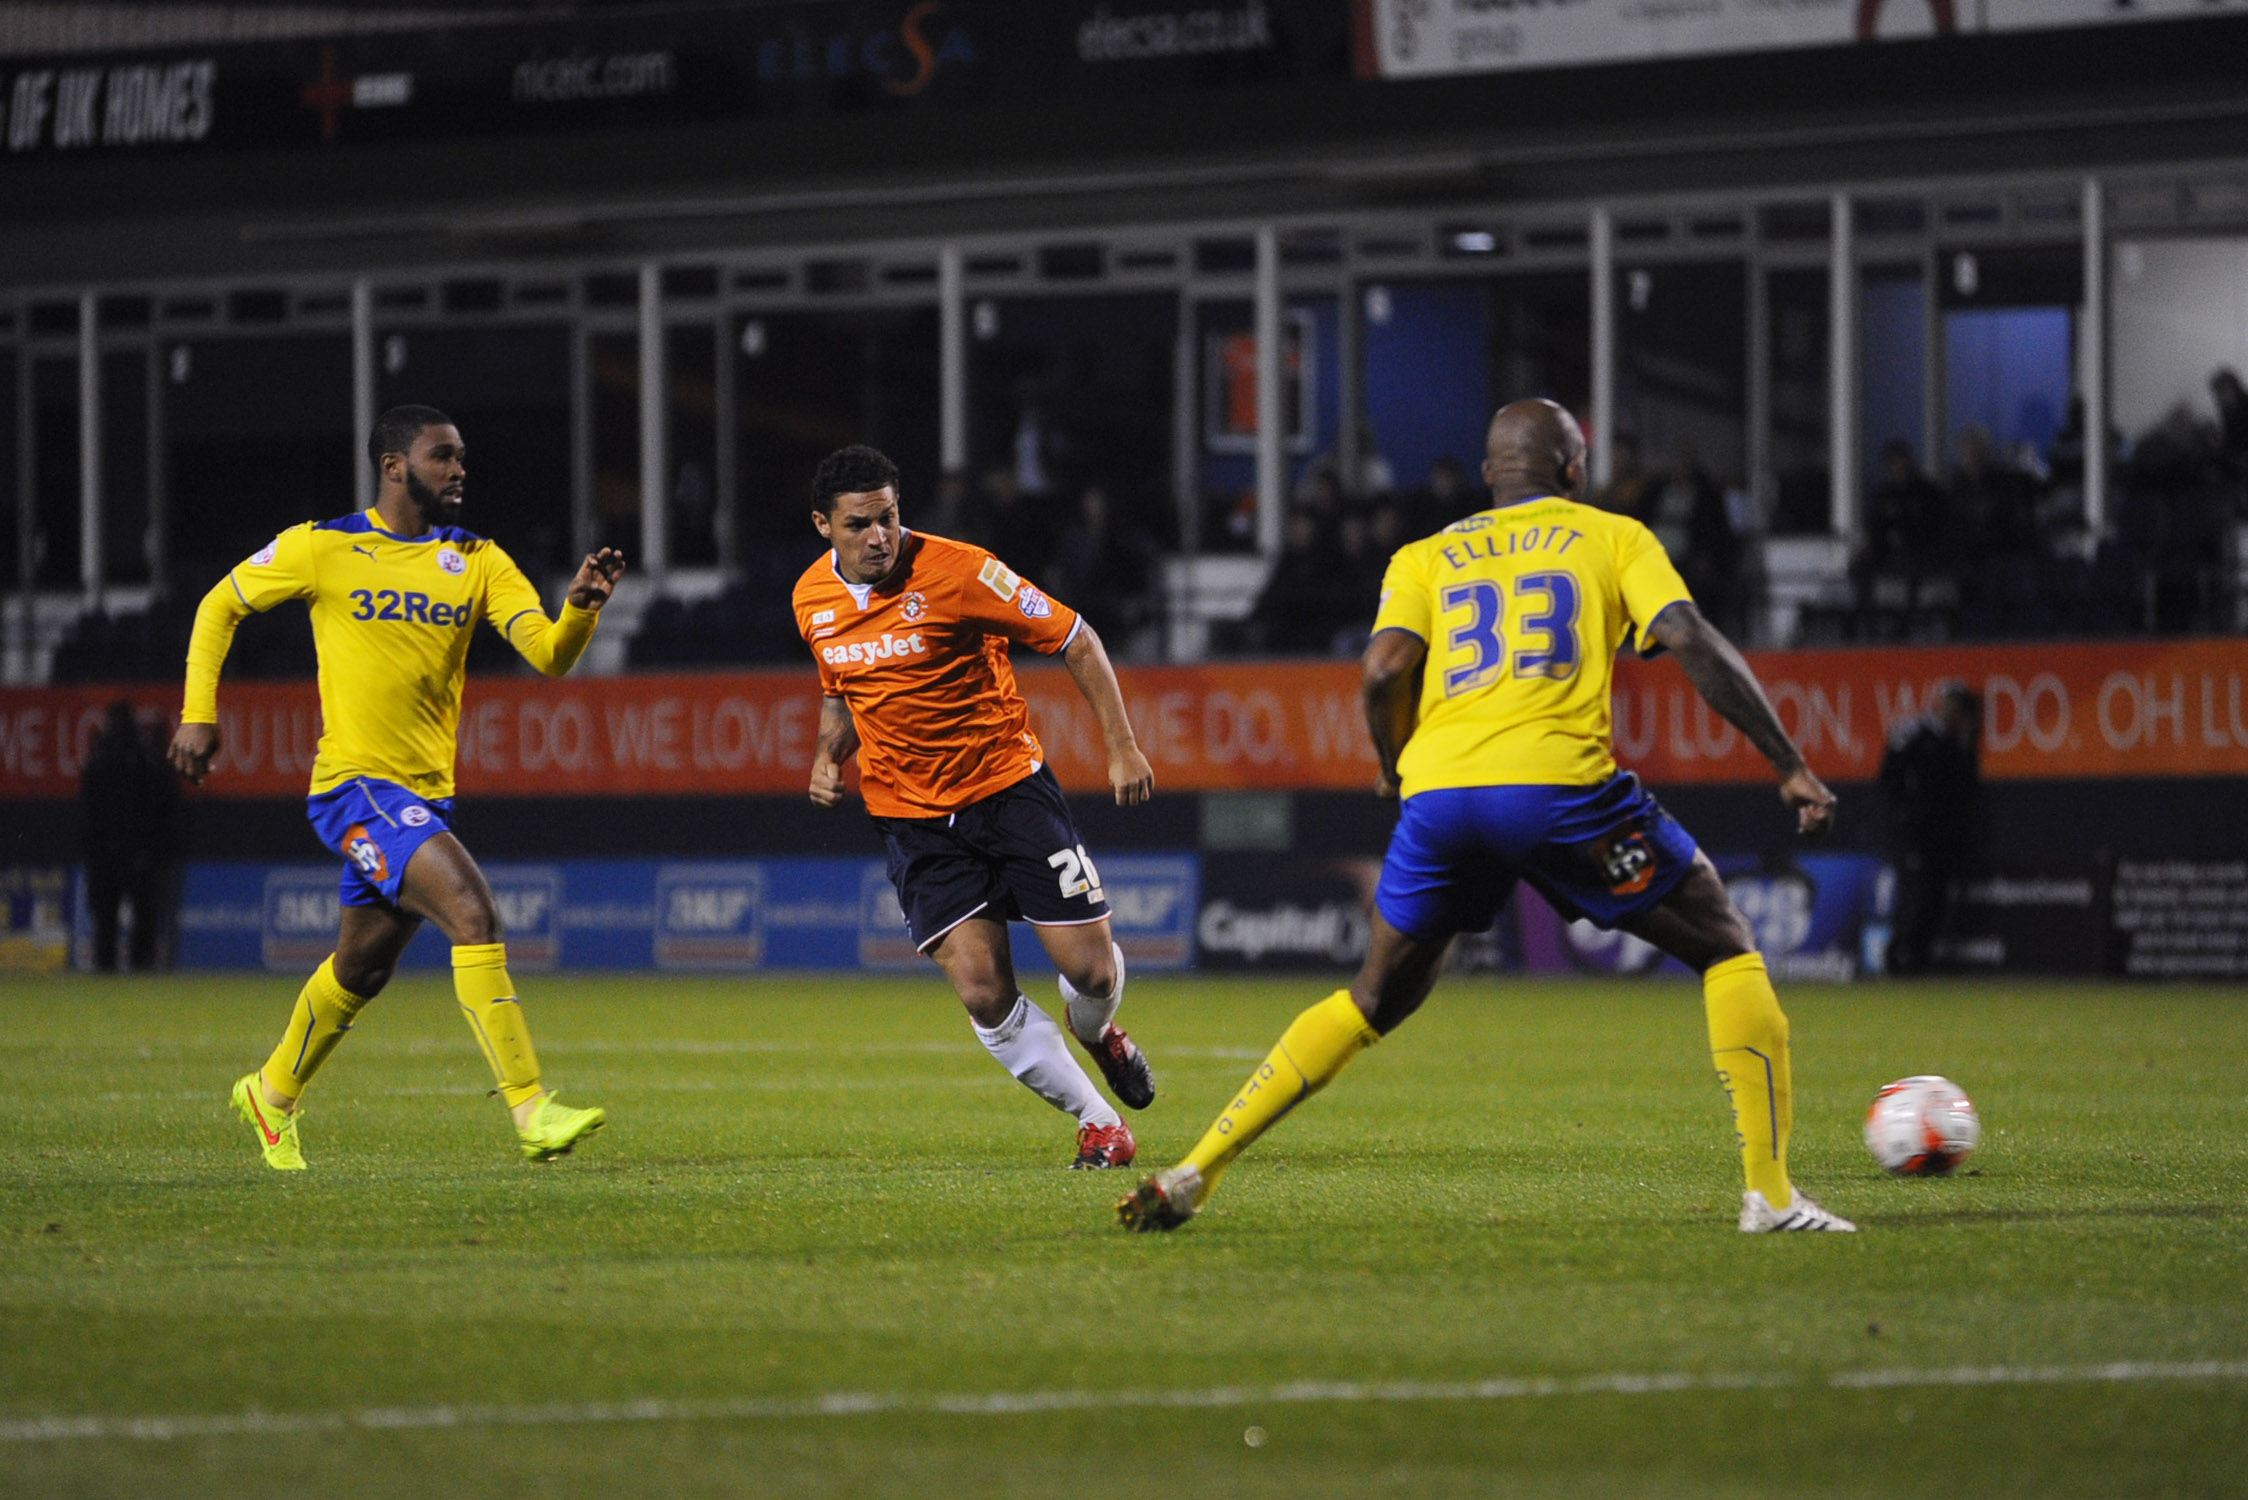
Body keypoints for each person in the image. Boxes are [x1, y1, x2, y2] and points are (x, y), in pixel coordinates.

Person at [1120, 399, 1855, 1235]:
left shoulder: (1425, 555)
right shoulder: (1611, 536)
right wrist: (1790, 765)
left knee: (1372, 999)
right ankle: (1771, 1194)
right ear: (1573, 470)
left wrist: (1393, 767)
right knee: (1726, 945)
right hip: (1558, 788)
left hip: (1440, 798)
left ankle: (1196, 1169)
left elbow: (1380, 670)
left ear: (1487, 475)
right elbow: (1688, 638)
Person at [171, 405, 624, 1171]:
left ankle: (271, 1093)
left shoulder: (478, 559)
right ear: (392, 466)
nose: (459, 470)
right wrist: (196, 714)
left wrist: (580, 608)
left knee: (361, 970)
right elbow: (220, 604)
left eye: (462, 457)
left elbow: (548, 656)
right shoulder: (324, 547)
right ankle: (531, 1110)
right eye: (442, 456)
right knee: (473, 912)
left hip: (423, 795)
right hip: (355, 786)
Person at [795, 444, 1158, 1169]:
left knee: (1091, 975)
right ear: (823, 527)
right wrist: (825, 753)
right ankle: (1099, 1125)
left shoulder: (962, 572)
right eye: (861, 524)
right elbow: (840, 687)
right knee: (982, 989)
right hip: (913, 816)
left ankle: (1099, 1032)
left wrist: (1121, 745)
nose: (879, 537)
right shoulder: (811, 599)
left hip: (1008, 791)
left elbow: (1076, 637)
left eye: (889, 519)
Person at [1879, 682, 1982, 976]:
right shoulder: (1916, 735)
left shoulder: (1955, 744)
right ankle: (1897, 956)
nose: (1955, 715)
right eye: (1952, 706)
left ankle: (1919, 958)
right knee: (1915, 893)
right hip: (1916, 832)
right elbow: (1890, 778)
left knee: (1934, 896)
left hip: (1943, 835)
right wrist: (1908, 812)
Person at [79, 701, 178, 972]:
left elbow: (158, 810)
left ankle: (133, 964)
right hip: (119, 854)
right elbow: (88, 814)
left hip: (130, 854)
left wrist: (151, 850)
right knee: (111, 918)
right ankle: (115, 964)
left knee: (135, 916)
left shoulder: (136, 762)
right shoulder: (103, 763)